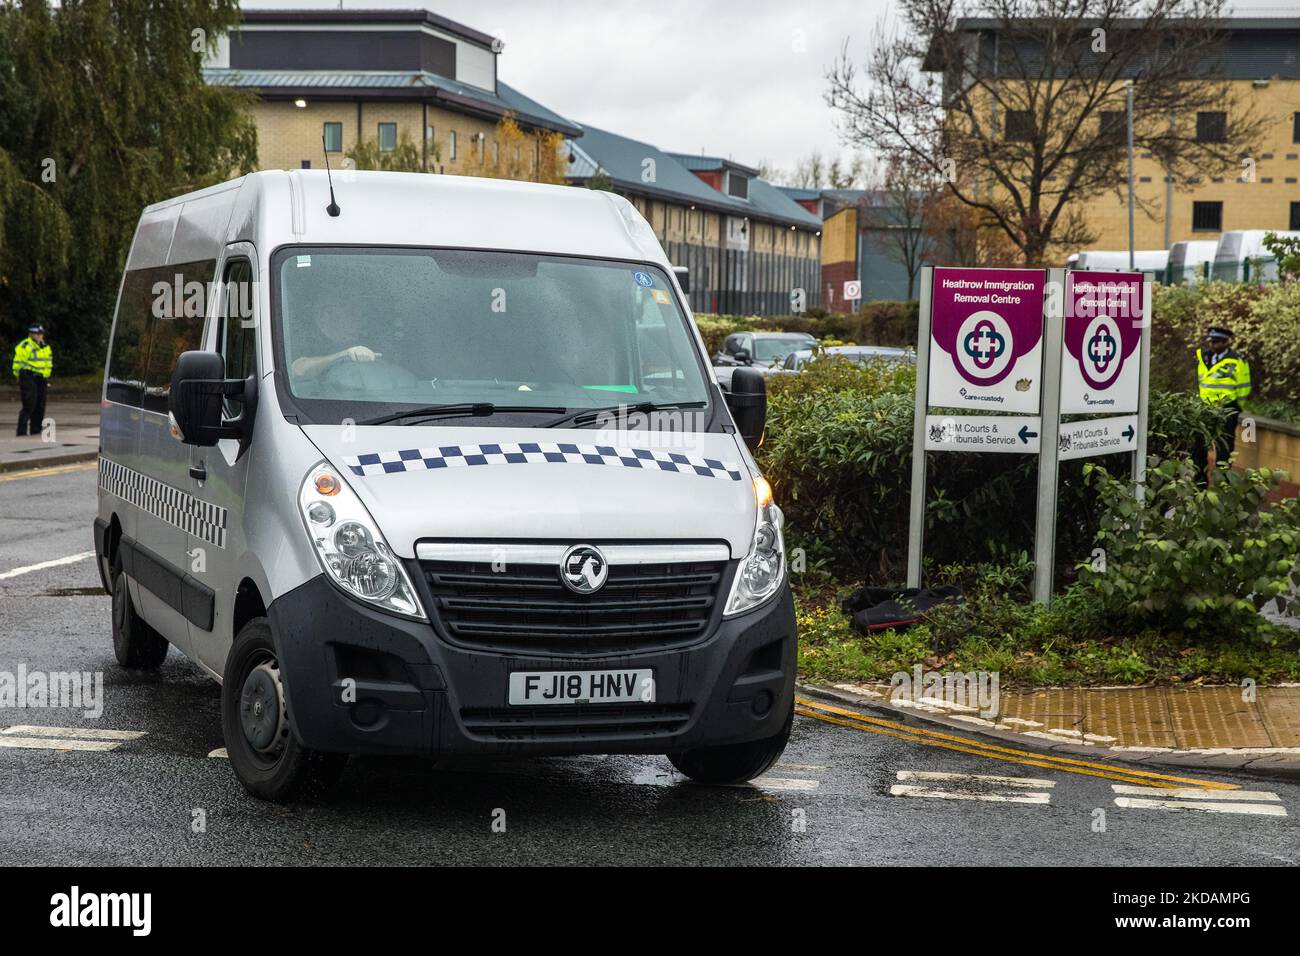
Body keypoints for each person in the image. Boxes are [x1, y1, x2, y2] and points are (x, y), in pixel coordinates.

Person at [1192, 325, 1251, 484]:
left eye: (1217, 342)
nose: (1213, 345)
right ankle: (1200, 481)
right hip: (1205, 407)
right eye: (1211, 341)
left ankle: (1221, 482)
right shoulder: (1204, 357)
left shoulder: (1237, 361)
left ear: (1226, 343)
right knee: (1199, 445)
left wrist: (1237, 407)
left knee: (1224, 448)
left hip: (1227, 408)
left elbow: (1243, 387)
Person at [289, 304, 383, 381]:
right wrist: (344, 355)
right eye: (352, 314)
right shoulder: (310, 340)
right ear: (330, 317)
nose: (360, 320)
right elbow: (298, 371)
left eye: (363, 316)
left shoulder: (375, 340)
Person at [12, 323, 53, 437]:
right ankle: (21, 432)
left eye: (41, 334)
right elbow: (18, 363)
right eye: (38, 334)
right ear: (31, 334)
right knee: (29, 404)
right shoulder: (26, 345)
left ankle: (36, 430)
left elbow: (48, 363)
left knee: (40, 405)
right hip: (28, 376)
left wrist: (46, 376)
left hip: (41, 378)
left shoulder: (45, 346)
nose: (40, 336)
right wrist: (19, 376)